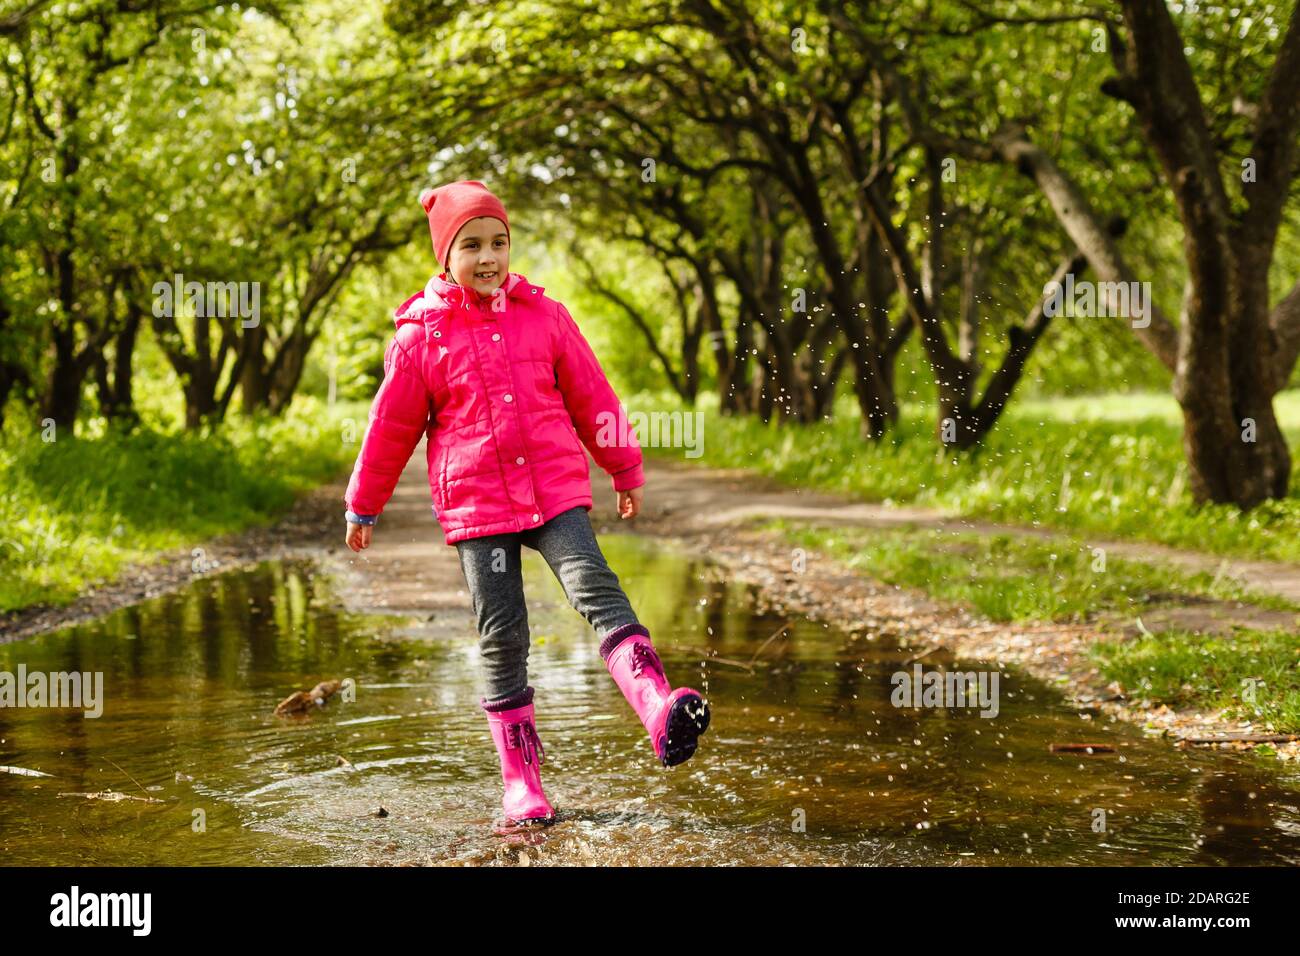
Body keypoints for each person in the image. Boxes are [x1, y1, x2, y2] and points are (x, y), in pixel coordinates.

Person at [342, 180, 710, 826]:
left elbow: (592, 395)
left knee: (595, 585)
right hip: (478, 508)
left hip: (554, 491)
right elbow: (390, 429)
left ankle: (656, 706)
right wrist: (362, 504)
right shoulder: (421, 337)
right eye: (472, 244)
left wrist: (623, 464)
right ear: (445, 256)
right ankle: (521, 784)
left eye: (499, 242)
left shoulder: (546, 317)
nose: (489, 256)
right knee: (503, 632)